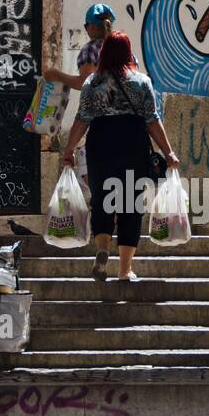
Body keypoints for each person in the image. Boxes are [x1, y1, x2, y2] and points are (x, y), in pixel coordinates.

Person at [61, 31, 179, 283]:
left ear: (103, 54)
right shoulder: (141, 82)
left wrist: (69, 148)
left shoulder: (92, 82)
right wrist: (168, 151)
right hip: (132, 143)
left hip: (101, 143)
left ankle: (103, 248)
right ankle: (124, 270)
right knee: (130, 206)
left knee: (102, 200)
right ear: (128, 53)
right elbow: (152, 120)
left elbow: (82, 119)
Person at [43, 3, 130, 91]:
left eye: (86, 25)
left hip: (101, 103)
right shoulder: (121, 46)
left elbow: (86, 83)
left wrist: (57, 75)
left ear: (92, 27)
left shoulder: (90, 49)